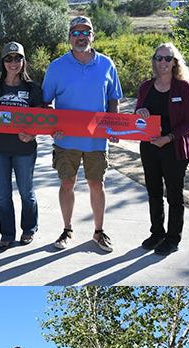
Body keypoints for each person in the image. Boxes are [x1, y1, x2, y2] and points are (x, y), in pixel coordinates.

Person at [42, 16, 122, 253]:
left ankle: (98, 232)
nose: (81, 37)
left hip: (96, 140)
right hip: (66, 140)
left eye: (85, 32)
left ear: (92, 36)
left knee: (96, 184)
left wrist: (113, 127)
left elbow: (113, 99)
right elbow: (45, 103)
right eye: (76, 33)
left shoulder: (106, 64)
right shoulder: (57, 67)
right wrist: (51, 126)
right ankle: (67, 230)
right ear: (69, 37)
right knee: (67, 183)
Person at [135, 43, 189, 256]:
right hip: (149, 147)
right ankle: (157, 233)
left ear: (174, 62)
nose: (163, 62)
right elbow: (137, 114)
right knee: (153, 192)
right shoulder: (145, 87)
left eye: (168, 58)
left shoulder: (183, 88)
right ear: (154, 61)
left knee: (174, 195)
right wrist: (140, 112)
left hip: (174, 148)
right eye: (159, 58)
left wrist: (168, 138)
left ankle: (172, 238)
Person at [0, 42, 45, 250]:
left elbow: (43, 118)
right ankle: (7, 234)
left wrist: (33, 134)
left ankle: (29, 229)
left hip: (24, 149)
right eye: (8, 58)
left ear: (23, 61)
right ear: (3, 62)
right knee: (3, 196)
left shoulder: (33, 89)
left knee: (26, 192)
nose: (13, 62)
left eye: (17, 58)